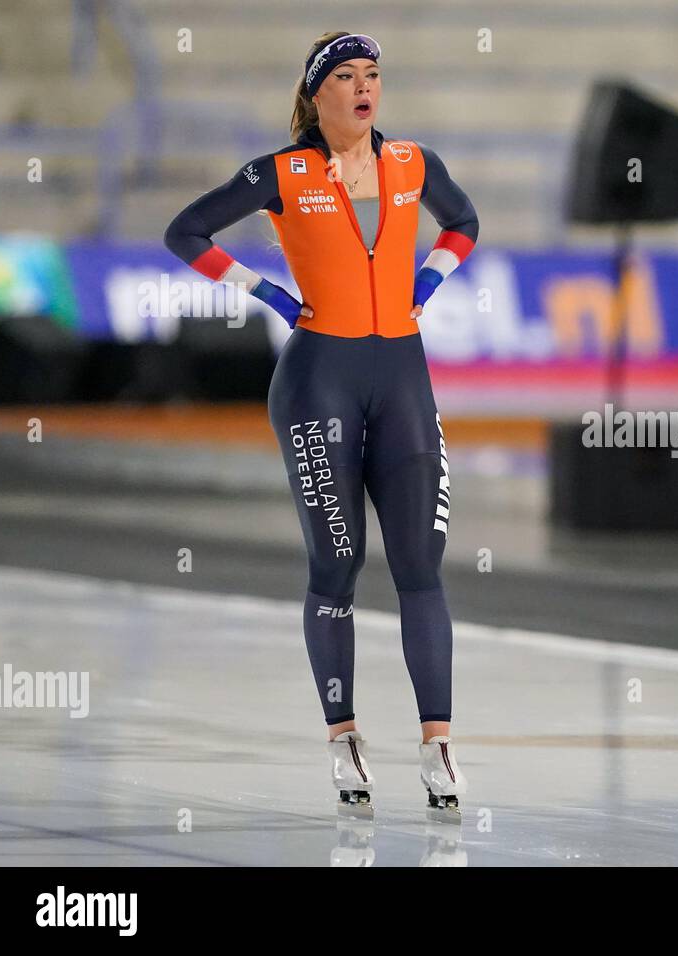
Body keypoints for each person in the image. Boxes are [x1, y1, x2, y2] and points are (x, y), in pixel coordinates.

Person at [163, 31, 478, 820]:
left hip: (403, 378)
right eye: (346, 76)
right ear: (317, 94)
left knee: (420, 563)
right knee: (338, 562)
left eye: (373, 74)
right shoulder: (282, 172)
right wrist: (266, 291)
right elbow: (184, 232)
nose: (364, 87)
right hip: (317, 384)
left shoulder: (412, 163)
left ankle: (438, 745)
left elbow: (464, 222)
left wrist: (429, 281)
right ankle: (343, 736)